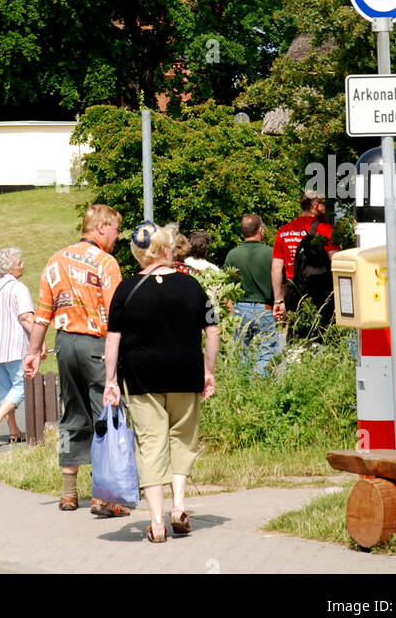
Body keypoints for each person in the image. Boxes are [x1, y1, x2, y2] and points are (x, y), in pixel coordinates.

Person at [103, 222, 219, 543]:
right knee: (182, 437)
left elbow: (113, 340)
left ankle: (155, 523)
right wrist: (209, 371)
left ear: (139, 255)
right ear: (167, 250)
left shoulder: (125, 290)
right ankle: (178, 506)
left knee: (151, 443)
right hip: (186, 372)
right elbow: (213, 330)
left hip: (141, 377)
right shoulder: (192, 286)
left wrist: (110, 381)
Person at [23, 203, 125, 515]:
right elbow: (117, 316)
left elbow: (42, 314)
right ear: (102, 227)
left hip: (64, 345)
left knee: (71, 414)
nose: (118, 237)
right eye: (116, 230)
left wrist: (33, 353)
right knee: (106, 415)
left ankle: (68, 494)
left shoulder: (55, 260)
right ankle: (103, 495)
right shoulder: (106, 264)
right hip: (97, 344)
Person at [0, 246, 36, 445]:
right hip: (15, 345)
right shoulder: (19, 288)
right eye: (20, 263)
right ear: (10, 268)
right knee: (22, 385)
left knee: (5, 389)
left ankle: (13, 431)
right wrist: (40, 341)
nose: (23, 266)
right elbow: (26, 318)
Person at [271, 190, 338, 330]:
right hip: (320, 293)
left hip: (292, 291)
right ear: (315, 205)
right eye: (323, 204)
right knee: (323, 335)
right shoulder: (326, 230)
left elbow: (276, 268)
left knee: (296, 335)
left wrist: (278, 299)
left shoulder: (283, 231)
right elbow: (336, 263)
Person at [224, 214, 280, 375]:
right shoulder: (271, 253)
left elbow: (227, 289)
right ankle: (262, 385)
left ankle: (244, 385)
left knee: (241, 352)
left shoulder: (233, 254)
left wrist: (229, 312)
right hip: (265, 307)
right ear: (260, 230)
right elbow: (279, 280)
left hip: (240, 308)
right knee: (267, 353)